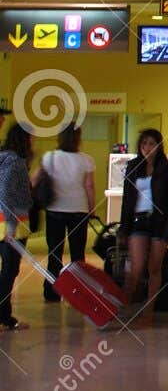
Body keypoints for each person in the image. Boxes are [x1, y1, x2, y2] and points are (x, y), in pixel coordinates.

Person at [119, 128, 168, 321]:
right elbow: (127, 198)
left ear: (159, 146)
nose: (147, 147)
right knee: (136, 268)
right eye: (144, 143)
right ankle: (124, 306)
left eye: (152, 143)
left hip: (159, 222)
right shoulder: (133, 166)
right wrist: (124, 227)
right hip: (139, 221)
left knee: (154, 268)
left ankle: (148, 312)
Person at [32, 124, 95, 303]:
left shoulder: (49, 157)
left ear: (59, 137)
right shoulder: (86, 160)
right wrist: (92, 208)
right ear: (78, 138)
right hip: (79, 210)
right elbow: (89, 186)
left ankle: (52, 293)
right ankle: (80, 293)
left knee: (54, 254)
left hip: (54, 211)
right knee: (78, 255)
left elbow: (34, 181)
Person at [0, 122, 35, 331]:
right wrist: (12, 226)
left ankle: (5, 315)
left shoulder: (4, 159)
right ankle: (5, 316)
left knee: (7, 271)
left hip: (5, 222)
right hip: (12, 224)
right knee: (9, 271)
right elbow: (5, 193)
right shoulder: (15, 162)